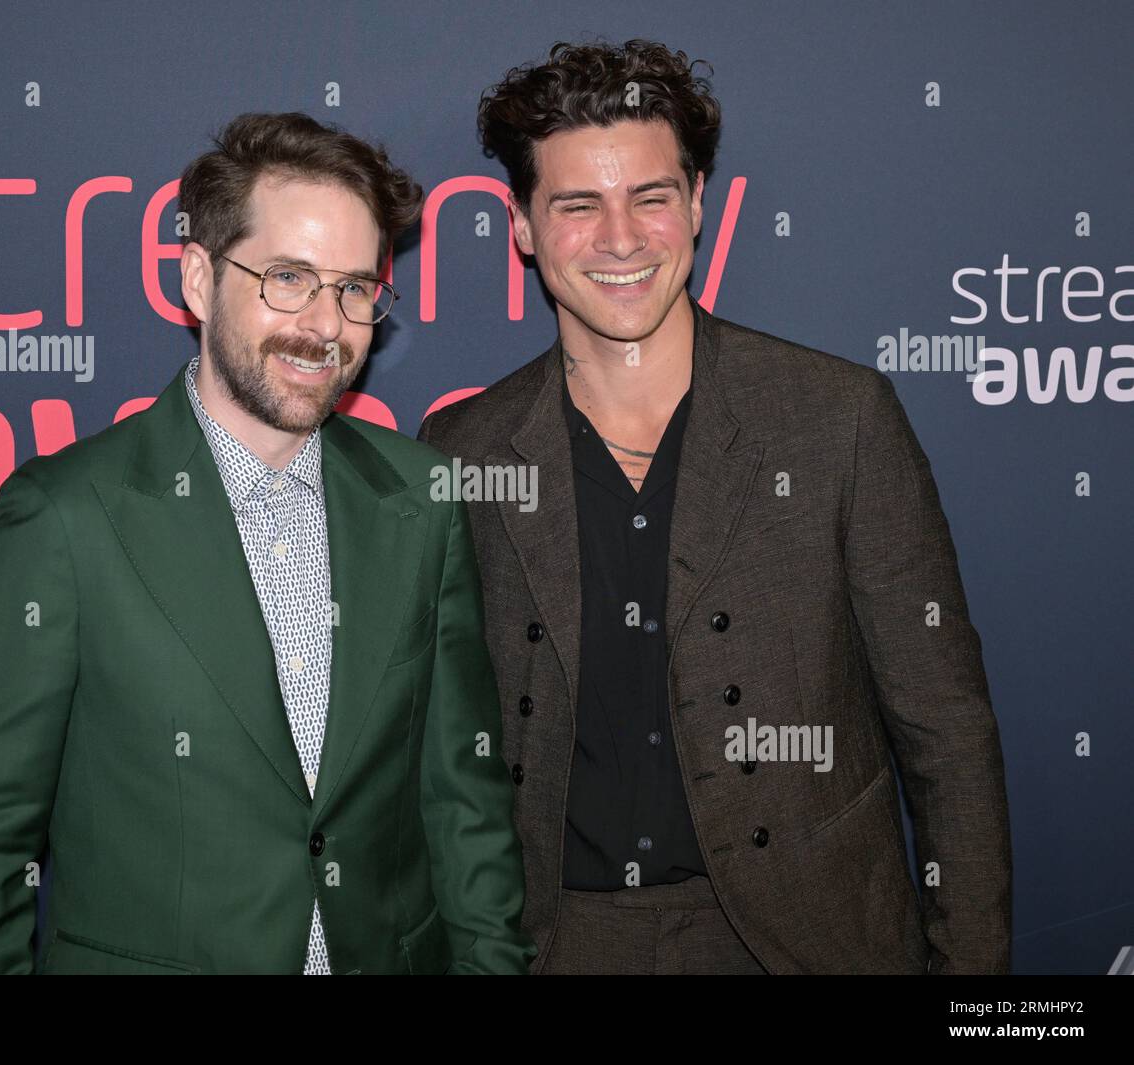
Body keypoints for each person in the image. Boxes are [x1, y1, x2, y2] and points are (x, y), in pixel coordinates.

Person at [418, 39, 1011, 974]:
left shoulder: (836, 417)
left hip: (808, 940)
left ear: (697, 204)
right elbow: (442, 761)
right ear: (524, 227)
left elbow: (946, 732)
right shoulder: (461, 452)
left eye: (650, 197)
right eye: (578, 205)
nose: (621, 237)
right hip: (561, 944)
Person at [0, 111, 534, 975]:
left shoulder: (422, 499)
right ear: (199, 281)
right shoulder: (63, 518)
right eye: (288, 277)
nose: (326, 325)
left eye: (356, 288)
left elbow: (462, 800)